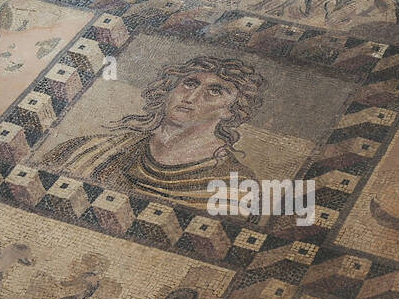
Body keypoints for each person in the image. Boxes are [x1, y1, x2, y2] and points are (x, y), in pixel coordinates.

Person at [38, 56, 262, 210]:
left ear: (230, 111)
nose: (191, 97)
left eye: (214, 92)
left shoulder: (235, 184)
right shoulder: (87, 151)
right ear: (170, 91)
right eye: (189, 84)